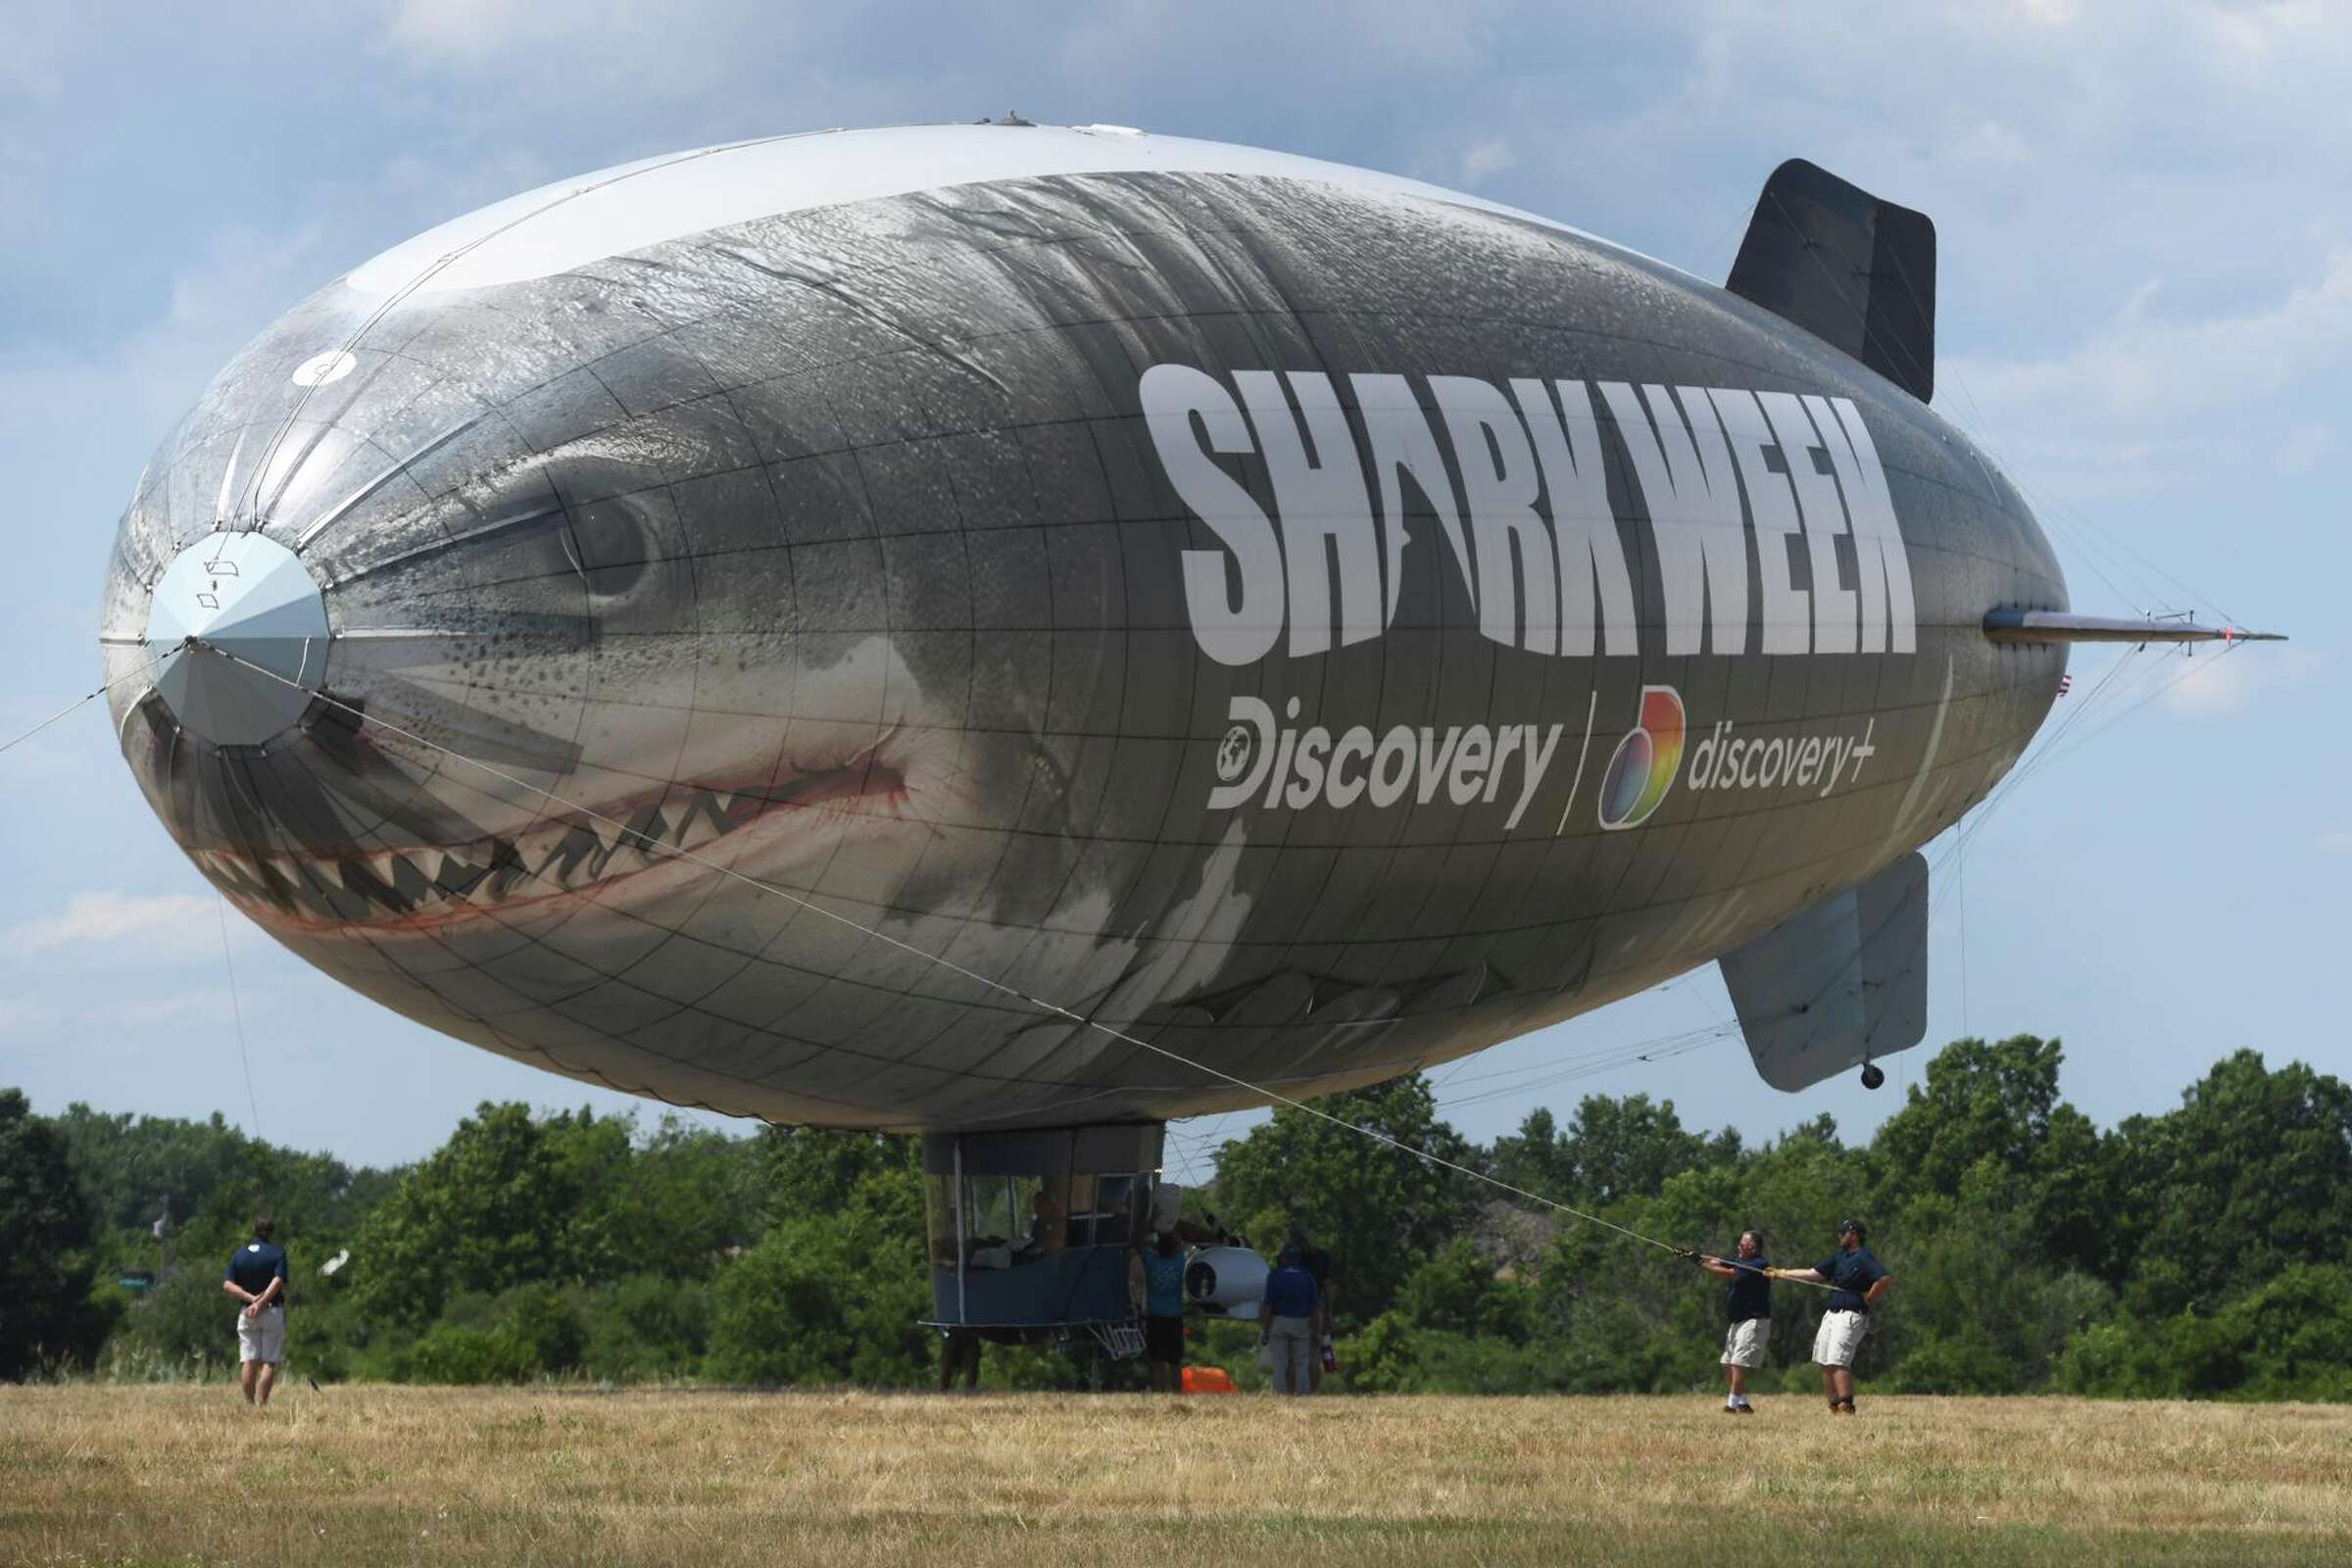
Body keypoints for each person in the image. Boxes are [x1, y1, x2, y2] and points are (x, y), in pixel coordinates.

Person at [1770, 1218, 1891, 1414]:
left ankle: (1846, 1405)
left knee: (1838, 1359)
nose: (1839, 1236)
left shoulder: (1863, 1256)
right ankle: (1834, 1405)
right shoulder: (1839, 1256)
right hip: (1831, 1314)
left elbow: (1884, 1278)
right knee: (1824, 1359)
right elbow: (1813, 1274)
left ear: (1853, 1234)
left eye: (1842, 1232)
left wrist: (1870, 1297)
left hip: (1850, 1315)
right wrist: (1782, 1273)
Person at [1693, 1230, 1771, 1413]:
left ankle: (1731, 1406)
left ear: (1753, 1248)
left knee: (1738, 1363)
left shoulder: (1758, 1265)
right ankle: (1742, 1402)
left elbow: (1728, 1274)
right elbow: (1717, 1261)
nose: (1738, 1247)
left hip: (1753, 1321)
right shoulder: (1740, 1260)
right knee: (1726, 1363)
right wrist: (1695, 1257)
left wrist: (1700, 1263)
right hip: (1737, 1321)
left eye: (1742, 1244)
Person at [221, 1216, 288, 1406]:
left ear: (254, 1230)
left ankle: (250, 1404)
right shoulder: (277, 1253)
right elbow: (278, 1281)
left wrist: (251, 1299)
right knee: (269, 1360)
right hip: (272, 1310)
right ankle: (262, 1403)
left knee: (248, 1359)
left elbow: (227, 1285)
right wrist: (262, 1302)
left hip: (247, 1312)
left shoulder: (240, 1254)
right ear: (272, 1231)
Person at [1258, 1242, 1321, 1396]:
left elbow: (1268, 1306)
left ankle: (1280, 1395)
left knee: (1279, 1364)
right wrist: (1316, 1331)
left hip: (1279, 1322)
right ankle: (1303, 1395)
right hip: (1301, 1323)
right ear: (1298, 1258)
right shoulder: (1307, 1277)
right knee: (1301, 1363)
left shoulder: (1274, 1275)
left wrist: (1266, 1330)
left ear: (1283, 1257)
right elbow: (1314, 1307)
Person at [1130, 1231, 1189, 1393]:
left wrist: (1152, 1222)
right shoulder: (1180, 1261)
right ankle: (1176, 1394)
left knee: (1157, 1361)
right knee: (1175, 1363)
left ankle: (1159, 1393)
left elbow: (1137, 1242)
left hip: (1155, 1317)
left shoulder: (1150, 1261)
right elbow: (1184, 1246)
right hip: (1175, 1317)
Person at [1288, 1224, 1336, 1391]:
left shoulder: (1288, 1257)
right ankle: (1311, 1392)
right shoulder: (1322, 1257)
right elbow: (1328, 1286)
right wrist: (1329, 1310)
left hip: (1291, 1308)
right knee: (1314, 1353)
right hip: (1316, 1308)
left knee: (1293, 1354)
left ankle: (1292, 1392)